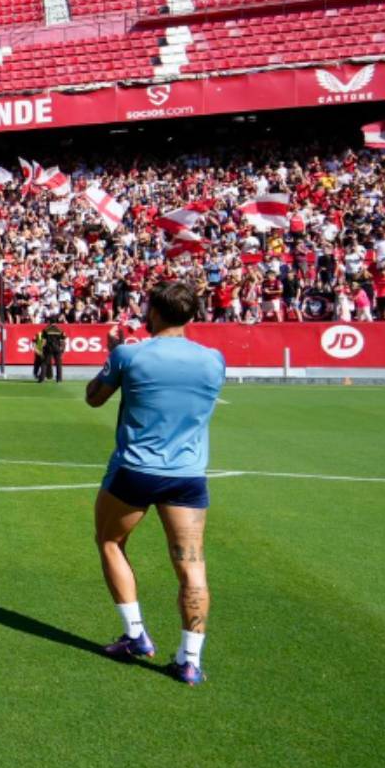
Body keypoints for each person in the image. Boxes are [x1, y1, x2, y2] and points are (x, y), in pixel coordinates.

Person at [85, 282, 226, 686]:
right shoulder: (214, 359)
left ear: (154, 312)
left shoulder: (130, 354)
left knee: (110, 542)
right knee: (191, 565)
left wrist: (113, 353)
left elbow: (94, 397)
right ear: (192, 316)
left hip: (136, 469)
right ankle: (190, 660)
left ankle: (135, 636)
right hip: (187, 475)